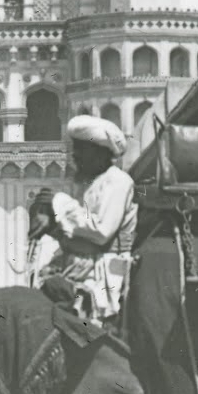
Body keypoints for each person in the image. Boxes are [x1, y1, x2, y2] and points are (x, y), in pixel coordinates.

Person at [33, 114, 137, 325]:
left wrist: (60, 203)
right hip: (78, 267)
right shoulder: (88, 183)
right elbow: (78, 230)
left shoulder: (118, 181)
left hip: (105, 272)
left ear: (99, 153)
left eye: (81, 150)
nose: (75, 156)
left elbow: (101, 232)